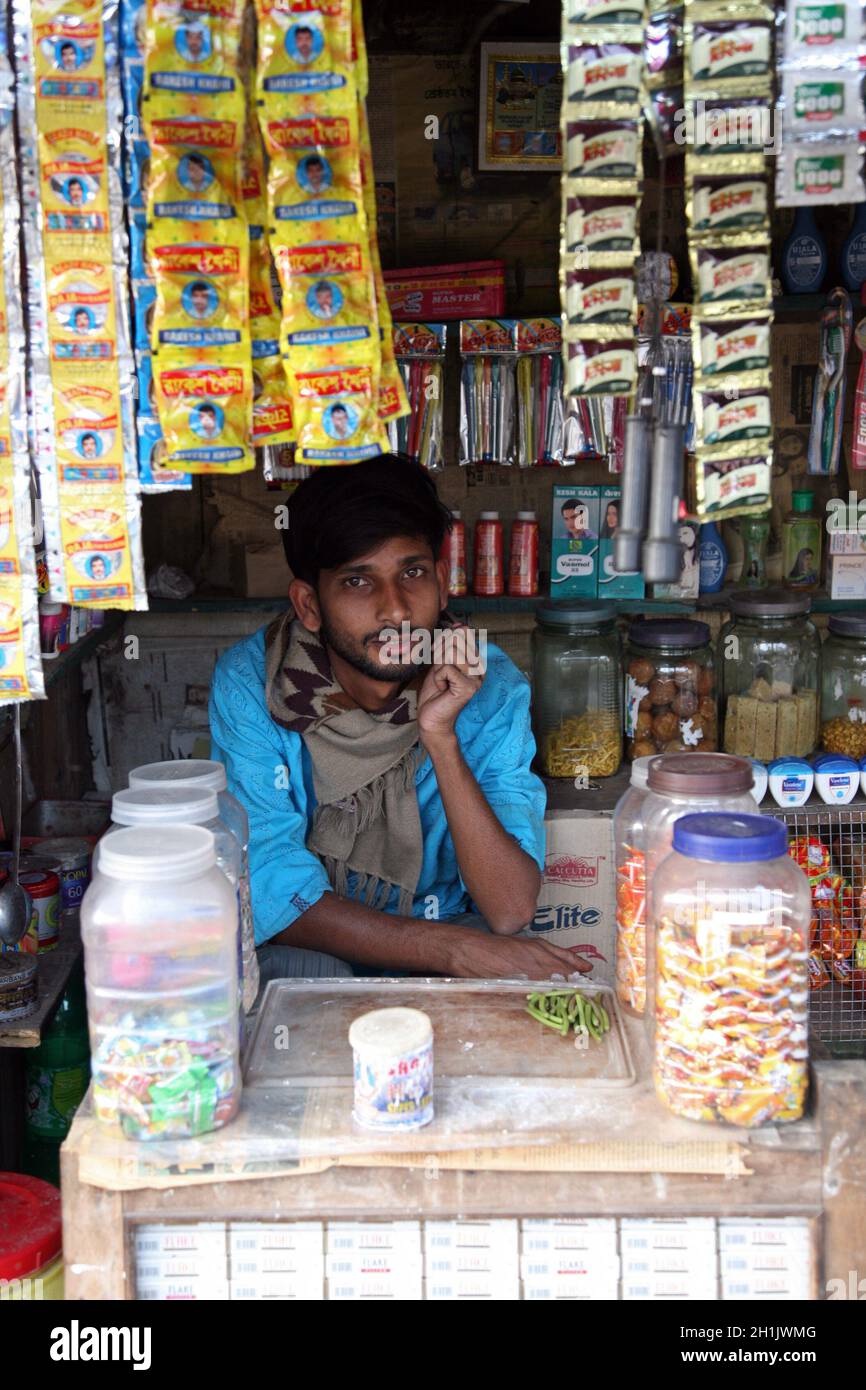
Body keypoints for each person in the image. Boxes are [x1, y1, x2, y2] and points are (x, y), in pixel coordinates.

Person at [209, 455, 590, 984]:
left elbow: (509, 908)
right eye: (358, 582)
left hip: (454, 923)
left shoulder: (489, 684)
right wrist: (452, 951)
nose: (396, 610)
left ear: (440, 578)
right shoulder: (255, 685)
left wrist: (440, 737)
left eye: (411, 573)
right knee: (293, 969)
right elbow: (271, 884)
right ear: (310, 605)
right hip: (328, 947)